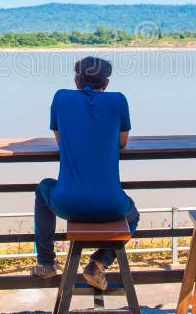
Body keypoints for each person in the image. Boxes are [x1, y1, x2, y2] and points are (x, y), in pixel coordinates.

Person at [30, 56, 140, 291]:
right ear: (106, 83)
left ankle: (46, 262)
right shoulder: (118, 101)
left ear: (76, 80)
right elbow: (122, 142)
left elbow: (61, 140)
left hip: (67, 204)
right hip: (112, 205)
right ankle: (99, 262)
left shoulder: (61, 97)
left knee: (43, 189)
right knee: (132, 216)